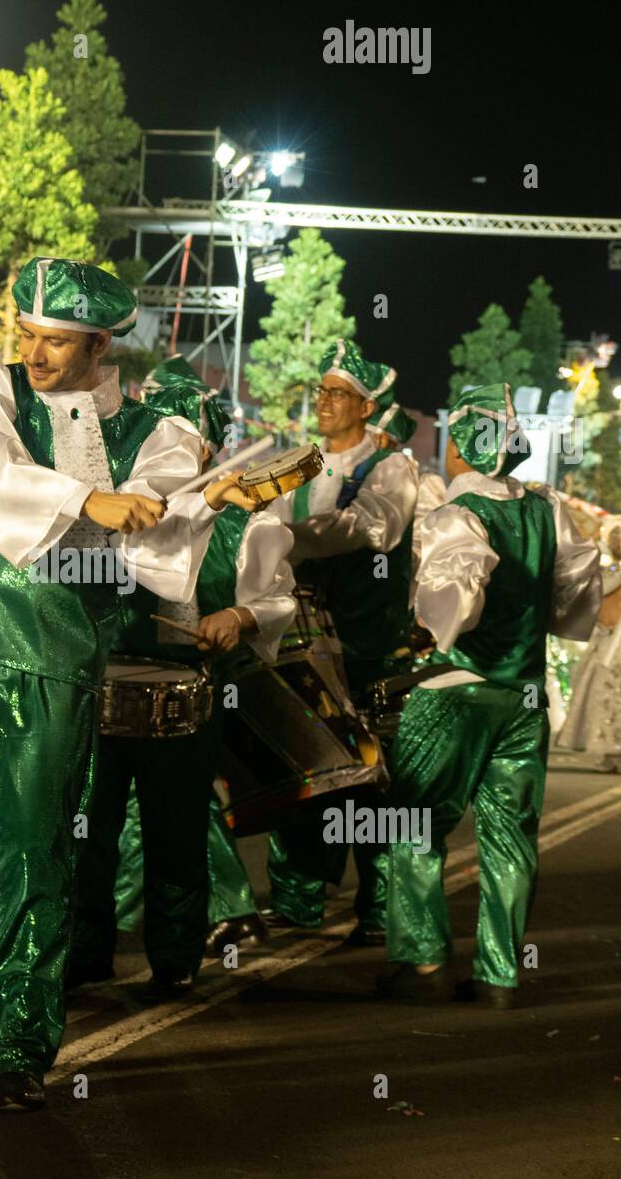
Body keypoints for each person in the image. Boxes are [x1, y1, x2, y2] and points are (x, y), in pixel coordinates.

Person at [0, 257, 266, 1109]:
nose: (33, 351)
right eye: (27, 332)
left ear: (102, 345)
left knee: (39, 855)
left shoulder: (160, 435)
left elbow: (154, 555)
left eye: (56, 341)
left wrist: (200, 506)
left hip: (57, 666)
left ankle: (21, 1048)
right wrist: (89, 502)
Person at [70, 359, 296, 993]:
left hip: (185, 697)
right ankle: (85, 954)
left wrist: (240, 615)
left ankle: (175, 962)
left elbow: (280, 595)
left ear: (209, 445)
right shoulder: (115, 503)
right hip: (99, 689)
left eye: (180, 439)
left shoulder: (250, 514)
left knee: (178, 836)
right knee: (88, 834)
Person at [377, 382, 601, 1008]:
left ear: (467, 446)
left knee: (415, 822)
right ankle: (501, 974)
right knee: (511, 837)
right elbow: (574, 596)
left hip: (458, 690)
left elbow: (455, 608)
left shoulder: (457, 513)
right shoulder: (546, 508)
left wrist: (431, 622)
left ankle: (423, 962)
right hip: (526, 698)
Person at [265, 341, 418, 945]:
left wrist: (285, 539)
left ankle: (379, 906)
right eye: (323, 390)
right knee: (300, 767)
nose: (324, 402)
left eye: (338, 394)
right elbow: (256, 518)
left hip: (365, 646)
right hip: (299, 645)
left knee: (373, 780)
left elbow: (367, 527)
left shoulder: (390, 468)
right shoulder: (296, 461)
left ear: (366, 404)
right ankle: (299, 897)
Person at [556, 522, 621, 769]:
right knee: (606, 693)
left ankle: (608, 751)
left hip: (607, 641)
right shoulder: (610, 573)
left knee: (604, 691)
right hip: (608, 641)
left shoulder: (607, 574)